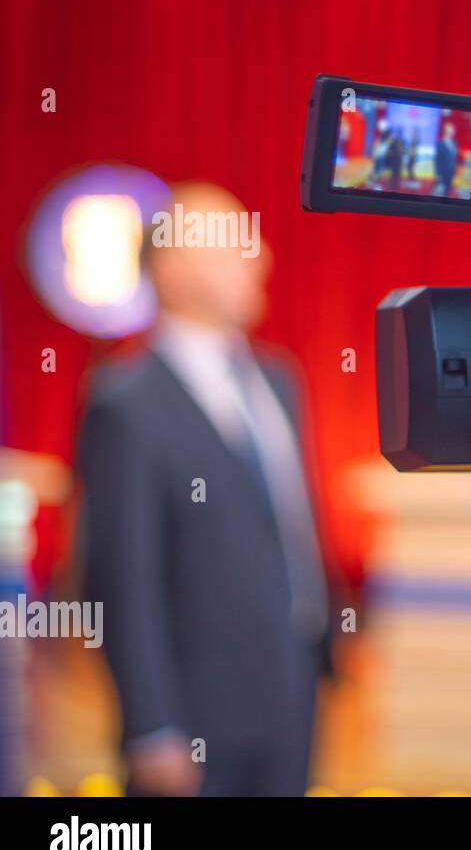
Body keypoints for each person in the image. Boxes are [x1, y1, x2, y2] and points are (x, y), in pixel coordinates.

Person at [75, 182, 332, 796]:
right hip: (194, 725)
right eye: (235, 243)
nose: (260, 256)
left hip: (292, 702)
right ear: (171, 267)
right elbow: (122, 578)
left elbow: (290, 537)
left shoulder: (278, 380)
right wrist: (152, 726)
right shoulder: (126, 403)